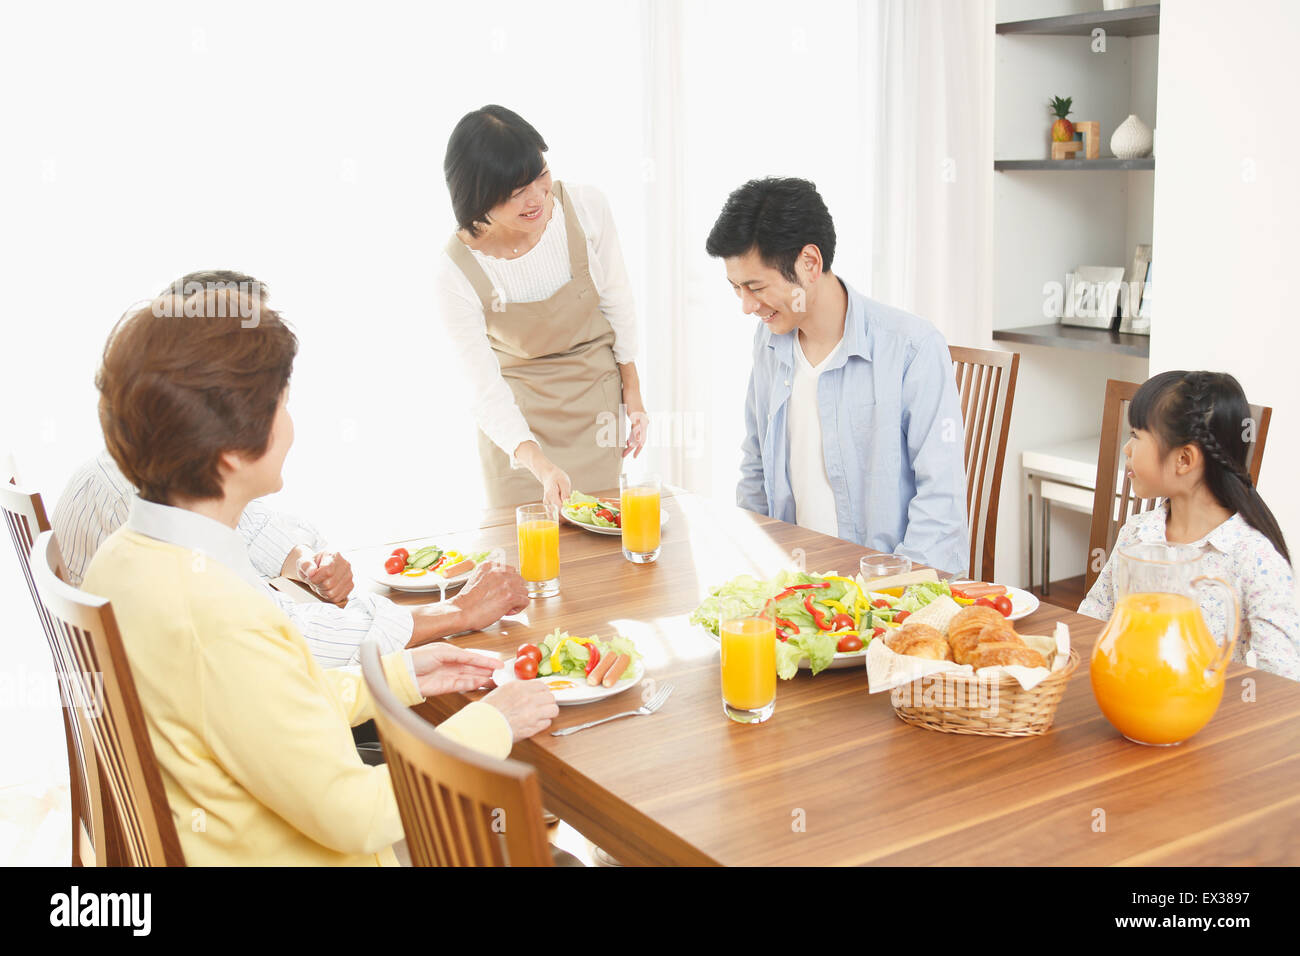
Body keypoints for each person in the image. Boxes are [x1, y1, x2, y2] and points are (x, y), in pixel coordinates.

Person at [81, 283, 558, 864]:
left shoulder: (121, 563)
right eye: (282, 403)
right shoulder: (219, 617)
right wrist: (492, 722)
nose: (290, 421)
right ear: (232, 451)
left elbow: (257, 710)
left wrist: (401, 676)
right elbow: (358, 816)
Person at [54, 271, 530, 668]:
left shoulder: (158, 496)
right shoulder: (187, 572)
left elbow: (256, 539)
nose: (289, 422)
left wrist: (306, 564)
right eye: (270, 397)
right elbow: (291, 640)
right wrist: (454, 613)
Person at [706, 177, 969, 574]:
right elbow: (755, 464)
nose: (746, 306)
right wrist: (753, 564)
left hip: (884, 597)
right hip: (797, 588)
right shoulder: (769, 343)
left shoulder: (911, 349)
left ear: (809, 263)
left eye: (755, 286)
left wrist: (889, 597)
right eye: (736, 288)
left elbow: (941, 504)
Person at [435, 105, 647, 510]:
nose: (535, 198)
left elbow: (619, 302)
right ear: (476, 199)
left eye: (540, 175)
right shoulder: (454, 271)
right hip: (516, 427)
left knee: (601, 552)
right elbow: (484, 389)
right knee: (524, 557)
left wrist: (633, 394)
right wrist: (540, 464)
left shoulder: (586, 207)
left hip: (594, 404)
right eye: (514, 192)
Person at [1079, 371, 1299, 681]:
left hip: (1208, 717)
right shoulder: (1136, 534)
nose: (1127, 449)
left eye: (1137, 436)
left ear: (1184, 459)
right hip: (1125, 700)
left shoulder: (1254, 558)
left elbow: (1283, 682)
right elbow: (1092, 620)